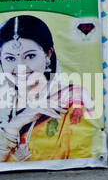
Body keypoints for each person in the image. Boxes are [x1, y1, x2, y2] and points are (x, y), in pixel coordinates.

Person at [0, 15, 94, 162]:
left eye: (30, 56)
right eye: (10, 58)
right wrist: (14, 126)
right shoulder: (4, 104)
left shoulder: (71, 103)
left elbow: (84, 157)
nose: (20, 67)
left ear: (48, 55)